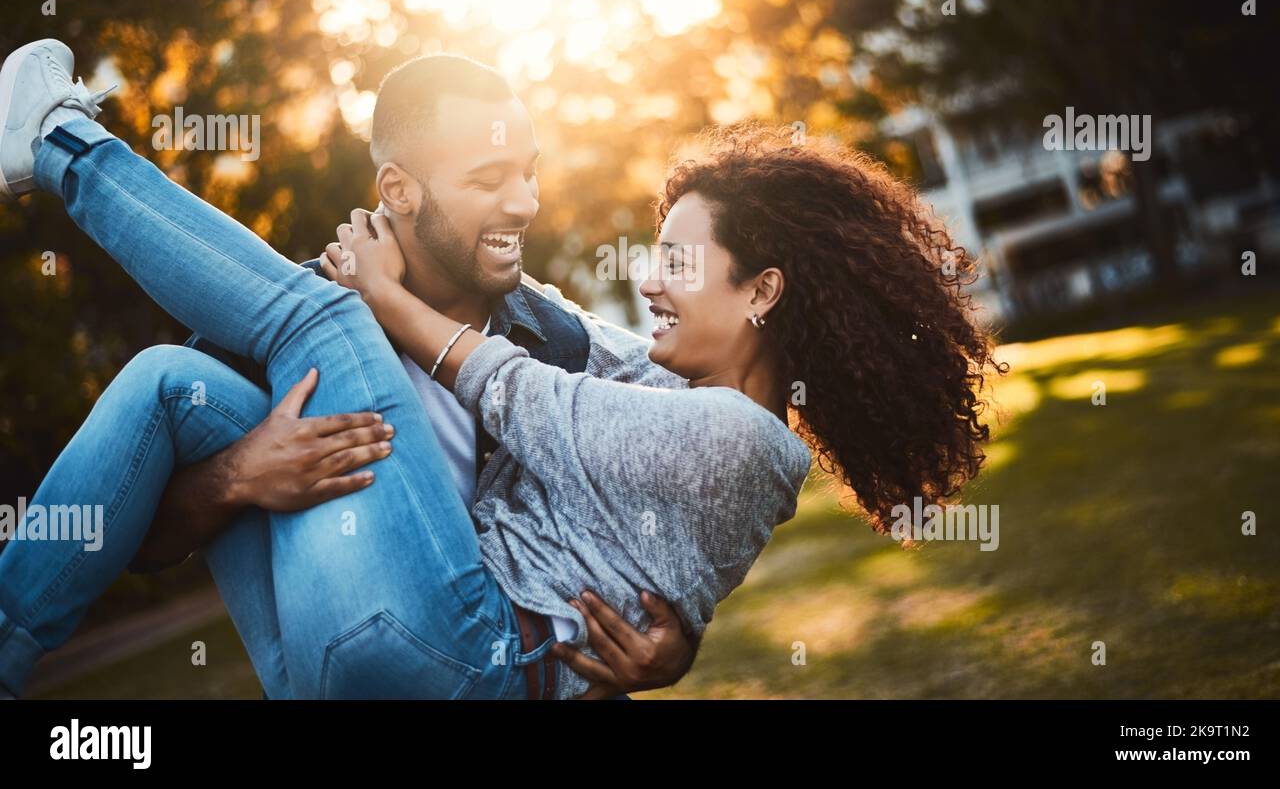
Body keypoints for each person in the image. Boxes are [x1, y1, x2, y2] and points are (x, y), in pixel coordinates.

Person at [0, 38, 1003, 700]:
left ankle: (57, 140)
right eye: (490, 179)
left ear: (761, 293)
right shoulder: (645, 378)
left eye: (529, 171)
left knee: (325, 313)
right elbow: (138, 528)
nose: (525, 202)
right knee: (166, 382)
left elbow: (546, 407)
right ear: (398, 188)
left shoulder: (607, 376)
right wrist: (236, 477)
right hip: (340, 650)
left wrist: (381, 302)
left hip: (468, 652)